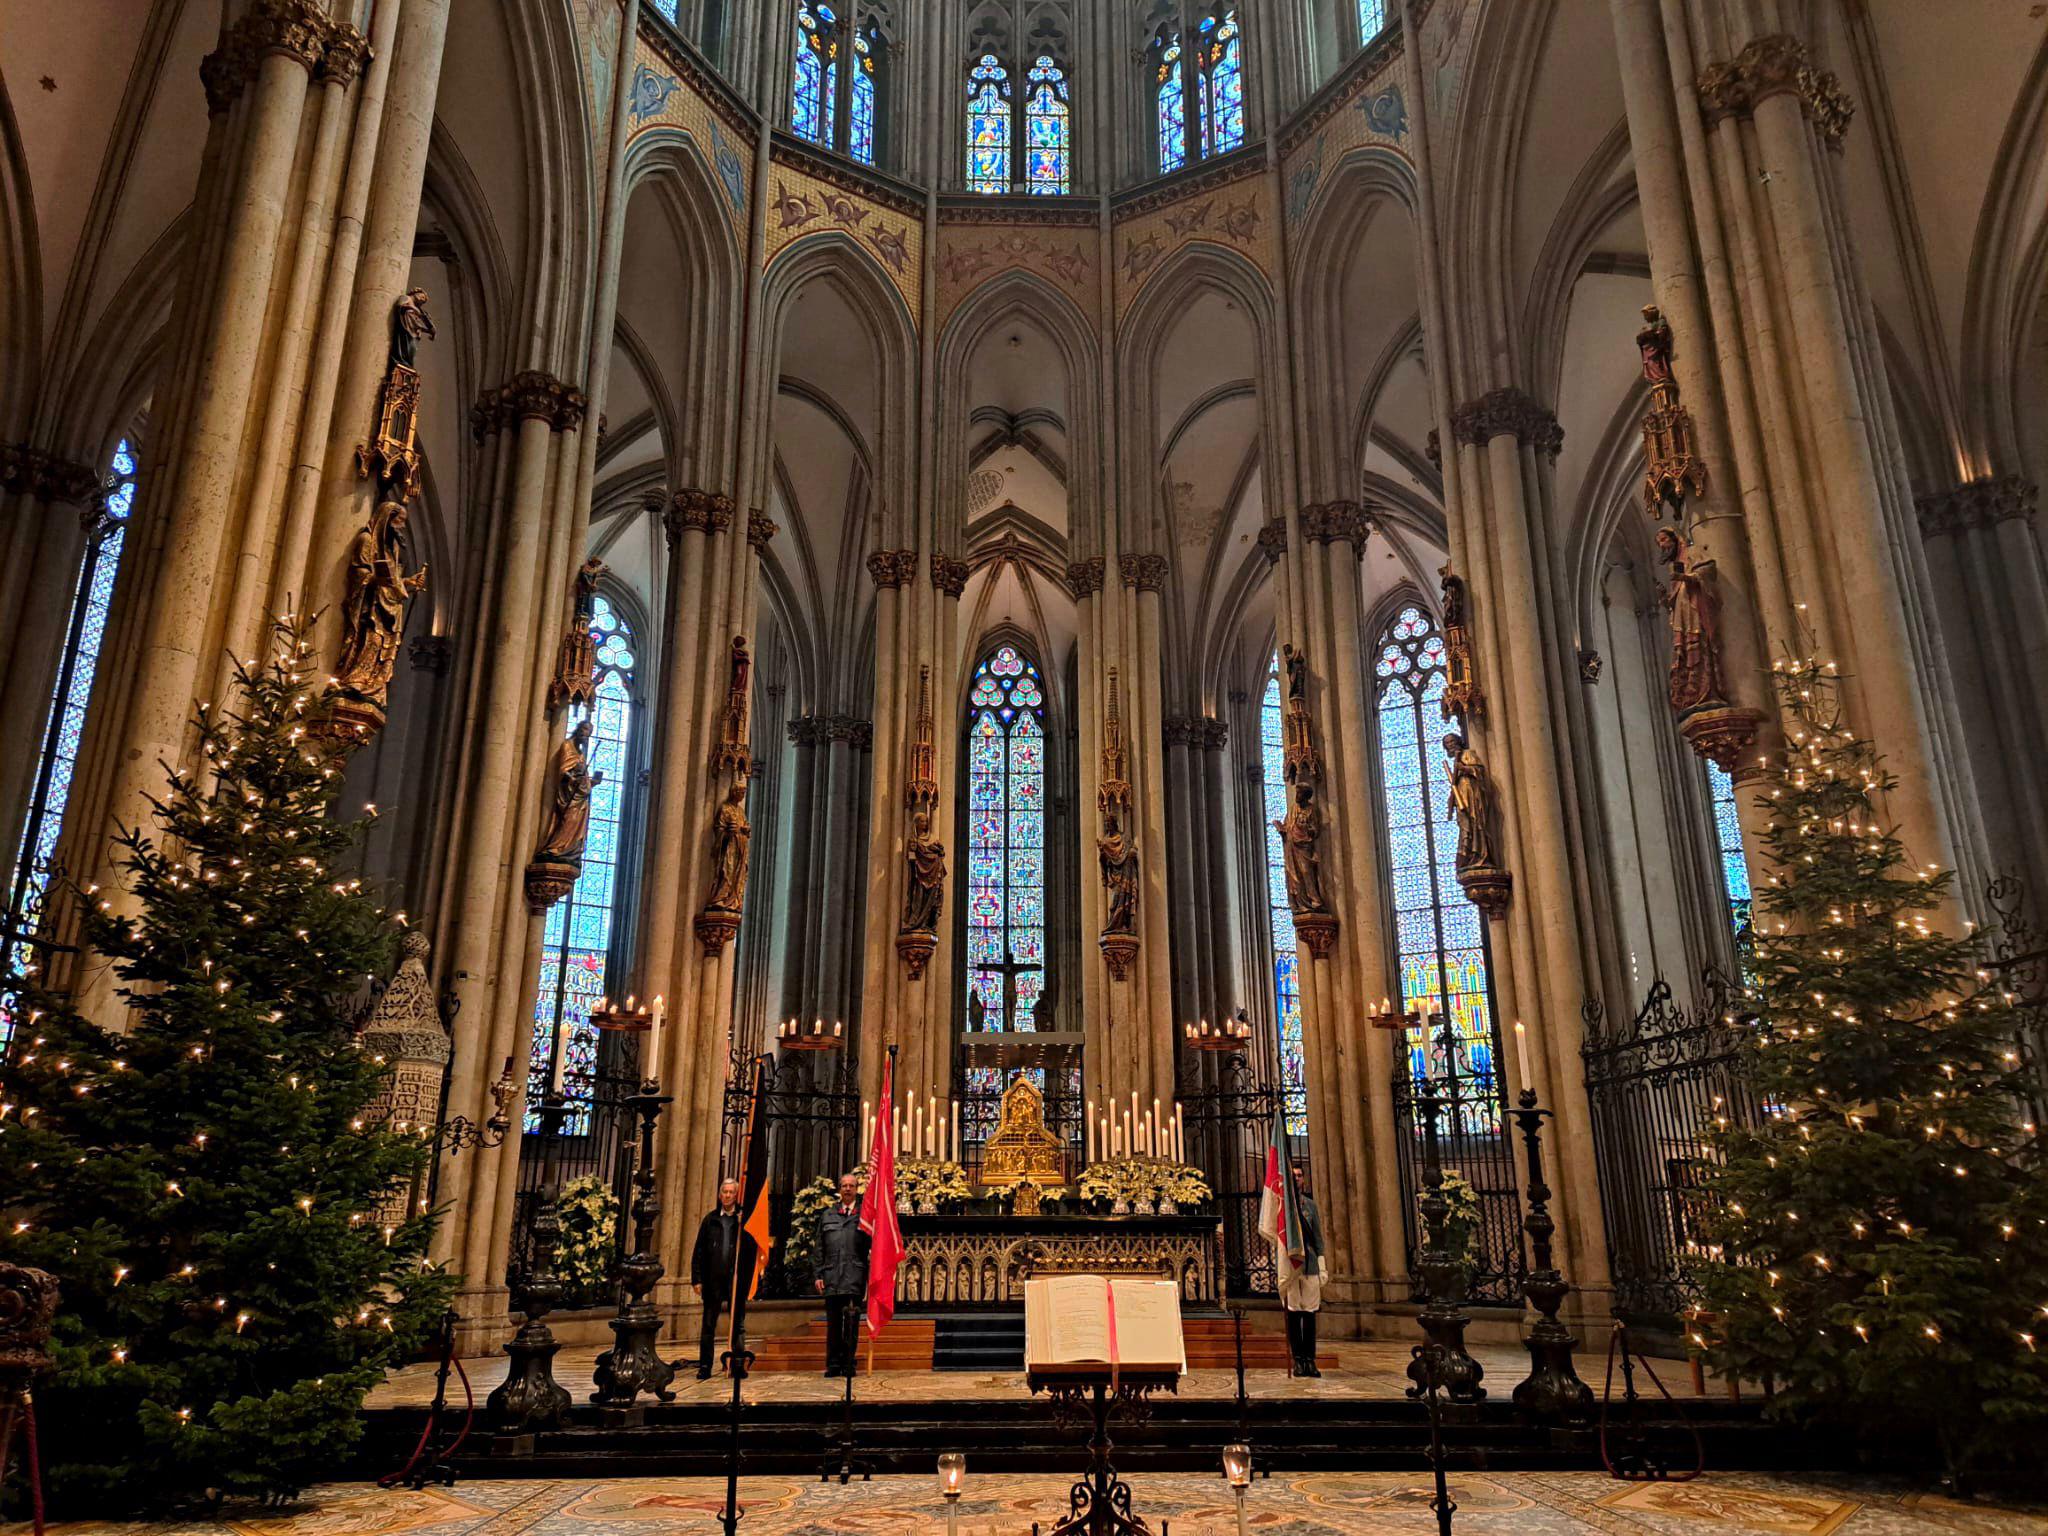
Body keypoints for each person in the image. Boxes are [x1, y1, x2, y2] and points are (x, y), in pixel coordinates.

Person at [814, 1171, 870, 1377]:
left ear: (857, 1189)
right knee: (834, 1324)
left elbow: (872, 1246)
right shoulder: (827, 1215)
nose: (847, 1189)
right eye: (844, 1185)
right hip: (832, 1276)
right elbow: (819, 1247)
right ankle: (833, 1364)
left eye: (851, 1186)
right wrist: (818, 1274)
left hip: (854, 1275)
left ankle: (848, 1363)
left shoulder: (865, 1216)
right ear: (839, 1189)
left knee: (852, 1323)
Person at [689, 1178, 742, 1380]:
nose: (727, 1195)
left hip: (734, 1280)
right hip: (712, 1280)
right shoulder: (710, 1220)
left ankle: (736, 1364)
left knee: (737, 1325)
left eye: (731, 1192)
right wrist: (697, 1279)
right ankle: (705, 1366)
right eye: (725, 1192)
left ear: (736, 1195)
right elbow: (699, 1251)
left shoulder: (741, 1220)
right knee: (708, 1325)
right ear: (720, 1195)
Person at [1284, 1167, 1327, 1378]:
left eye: (1300, 1175)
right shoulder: (1283, 1207)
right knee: (1294, 1313)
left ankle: (1310, 1359)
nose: (1297, 1179)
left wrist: (1322, 1264)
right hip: (1291, 1265)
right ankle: (1298, 1360)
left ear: (1304, 1180)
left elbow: (1317, 1237)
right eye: (1293, 1176)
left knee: (1309, 1313)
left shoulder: (1310, 1205)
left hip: (1309, 1264)